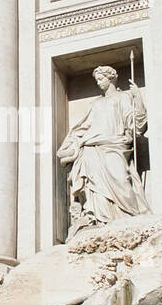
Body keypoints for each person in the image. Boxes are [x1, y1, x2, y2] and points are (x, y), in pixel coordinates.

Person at [57, 65, 150, 233]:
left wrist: (138, 99)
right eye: (97, 80)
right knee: (96, 186)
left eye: (101, 79)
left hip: (115, 145)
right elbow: (84, 126)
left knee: (121, 179)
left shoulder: (123, 98)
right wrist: (73, 144)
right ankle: (99, 218)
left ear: (111, 78)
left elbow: (136, 124)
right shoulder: (96, 103)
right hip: (92, 147)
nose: (99, 83)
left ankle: (129, 217)